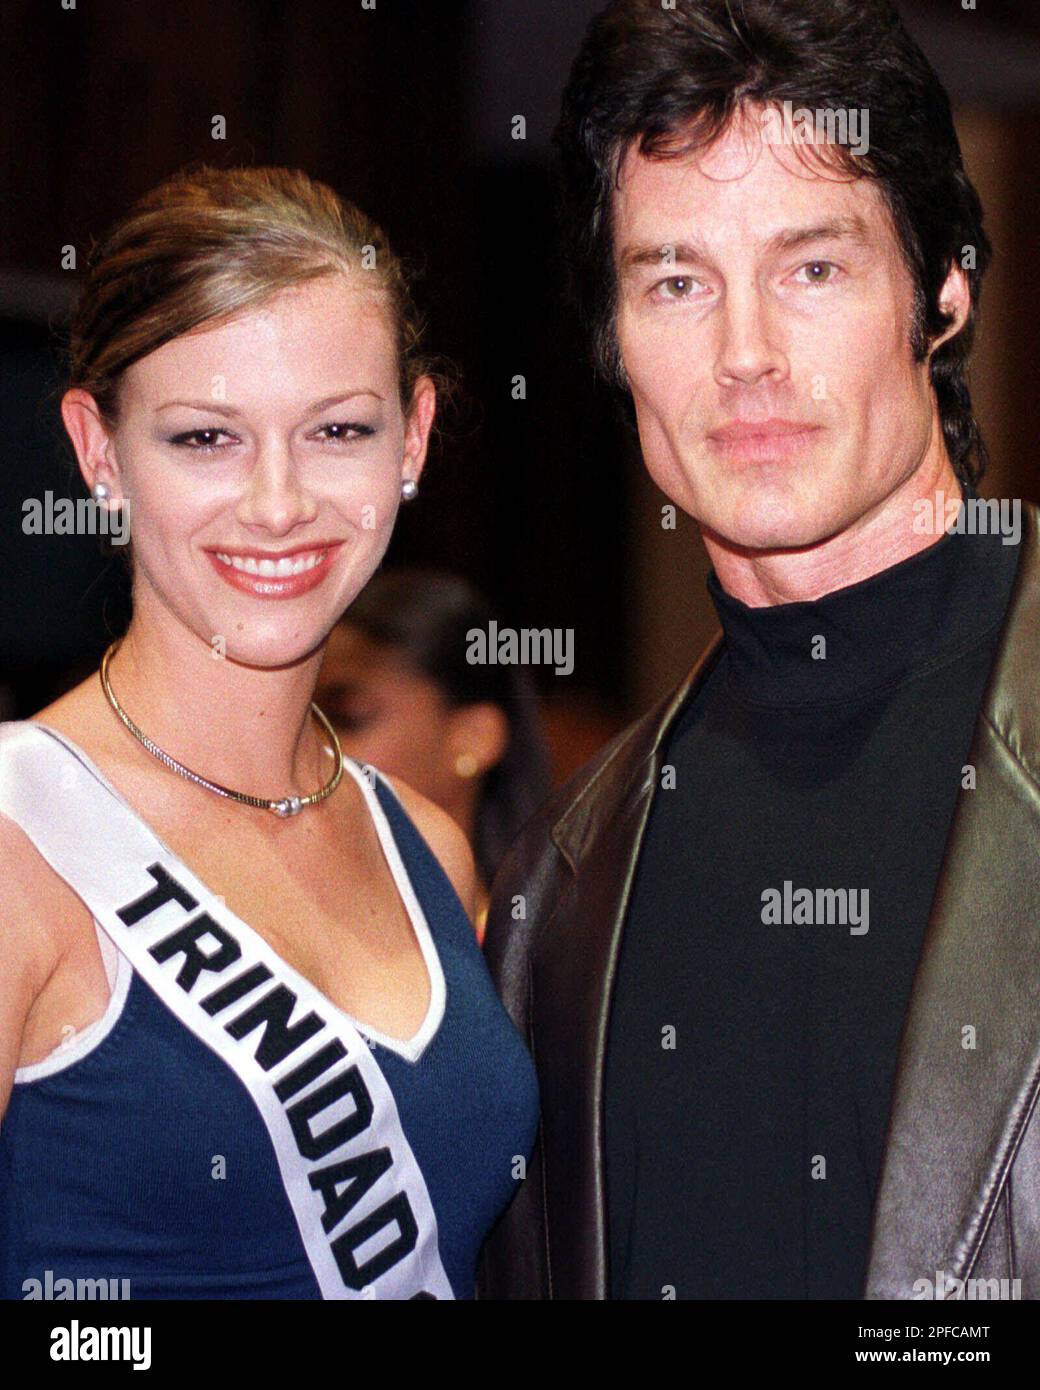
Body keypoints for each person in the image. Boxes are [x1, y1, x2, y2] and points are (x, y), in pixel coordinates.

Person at [479, 0, 1040, 1300]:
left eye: (812, 268)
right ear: (614, 345)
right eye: (676, 282)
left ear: (942, 287)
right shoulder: (558, 889)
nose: (745, 357)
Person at [0, 165, 538, 1301]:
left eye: (338, 428)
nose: (279, 502)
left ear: (414, 438)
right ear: (99, 453)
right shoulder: (19, 847)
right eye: (205, 439)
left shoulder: (425, 847)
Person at [316, 568, 553, 944]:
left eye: (348, 718)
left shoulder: (546, 949)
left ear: (474, 738)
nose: (315, 745)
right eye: (302, 722)